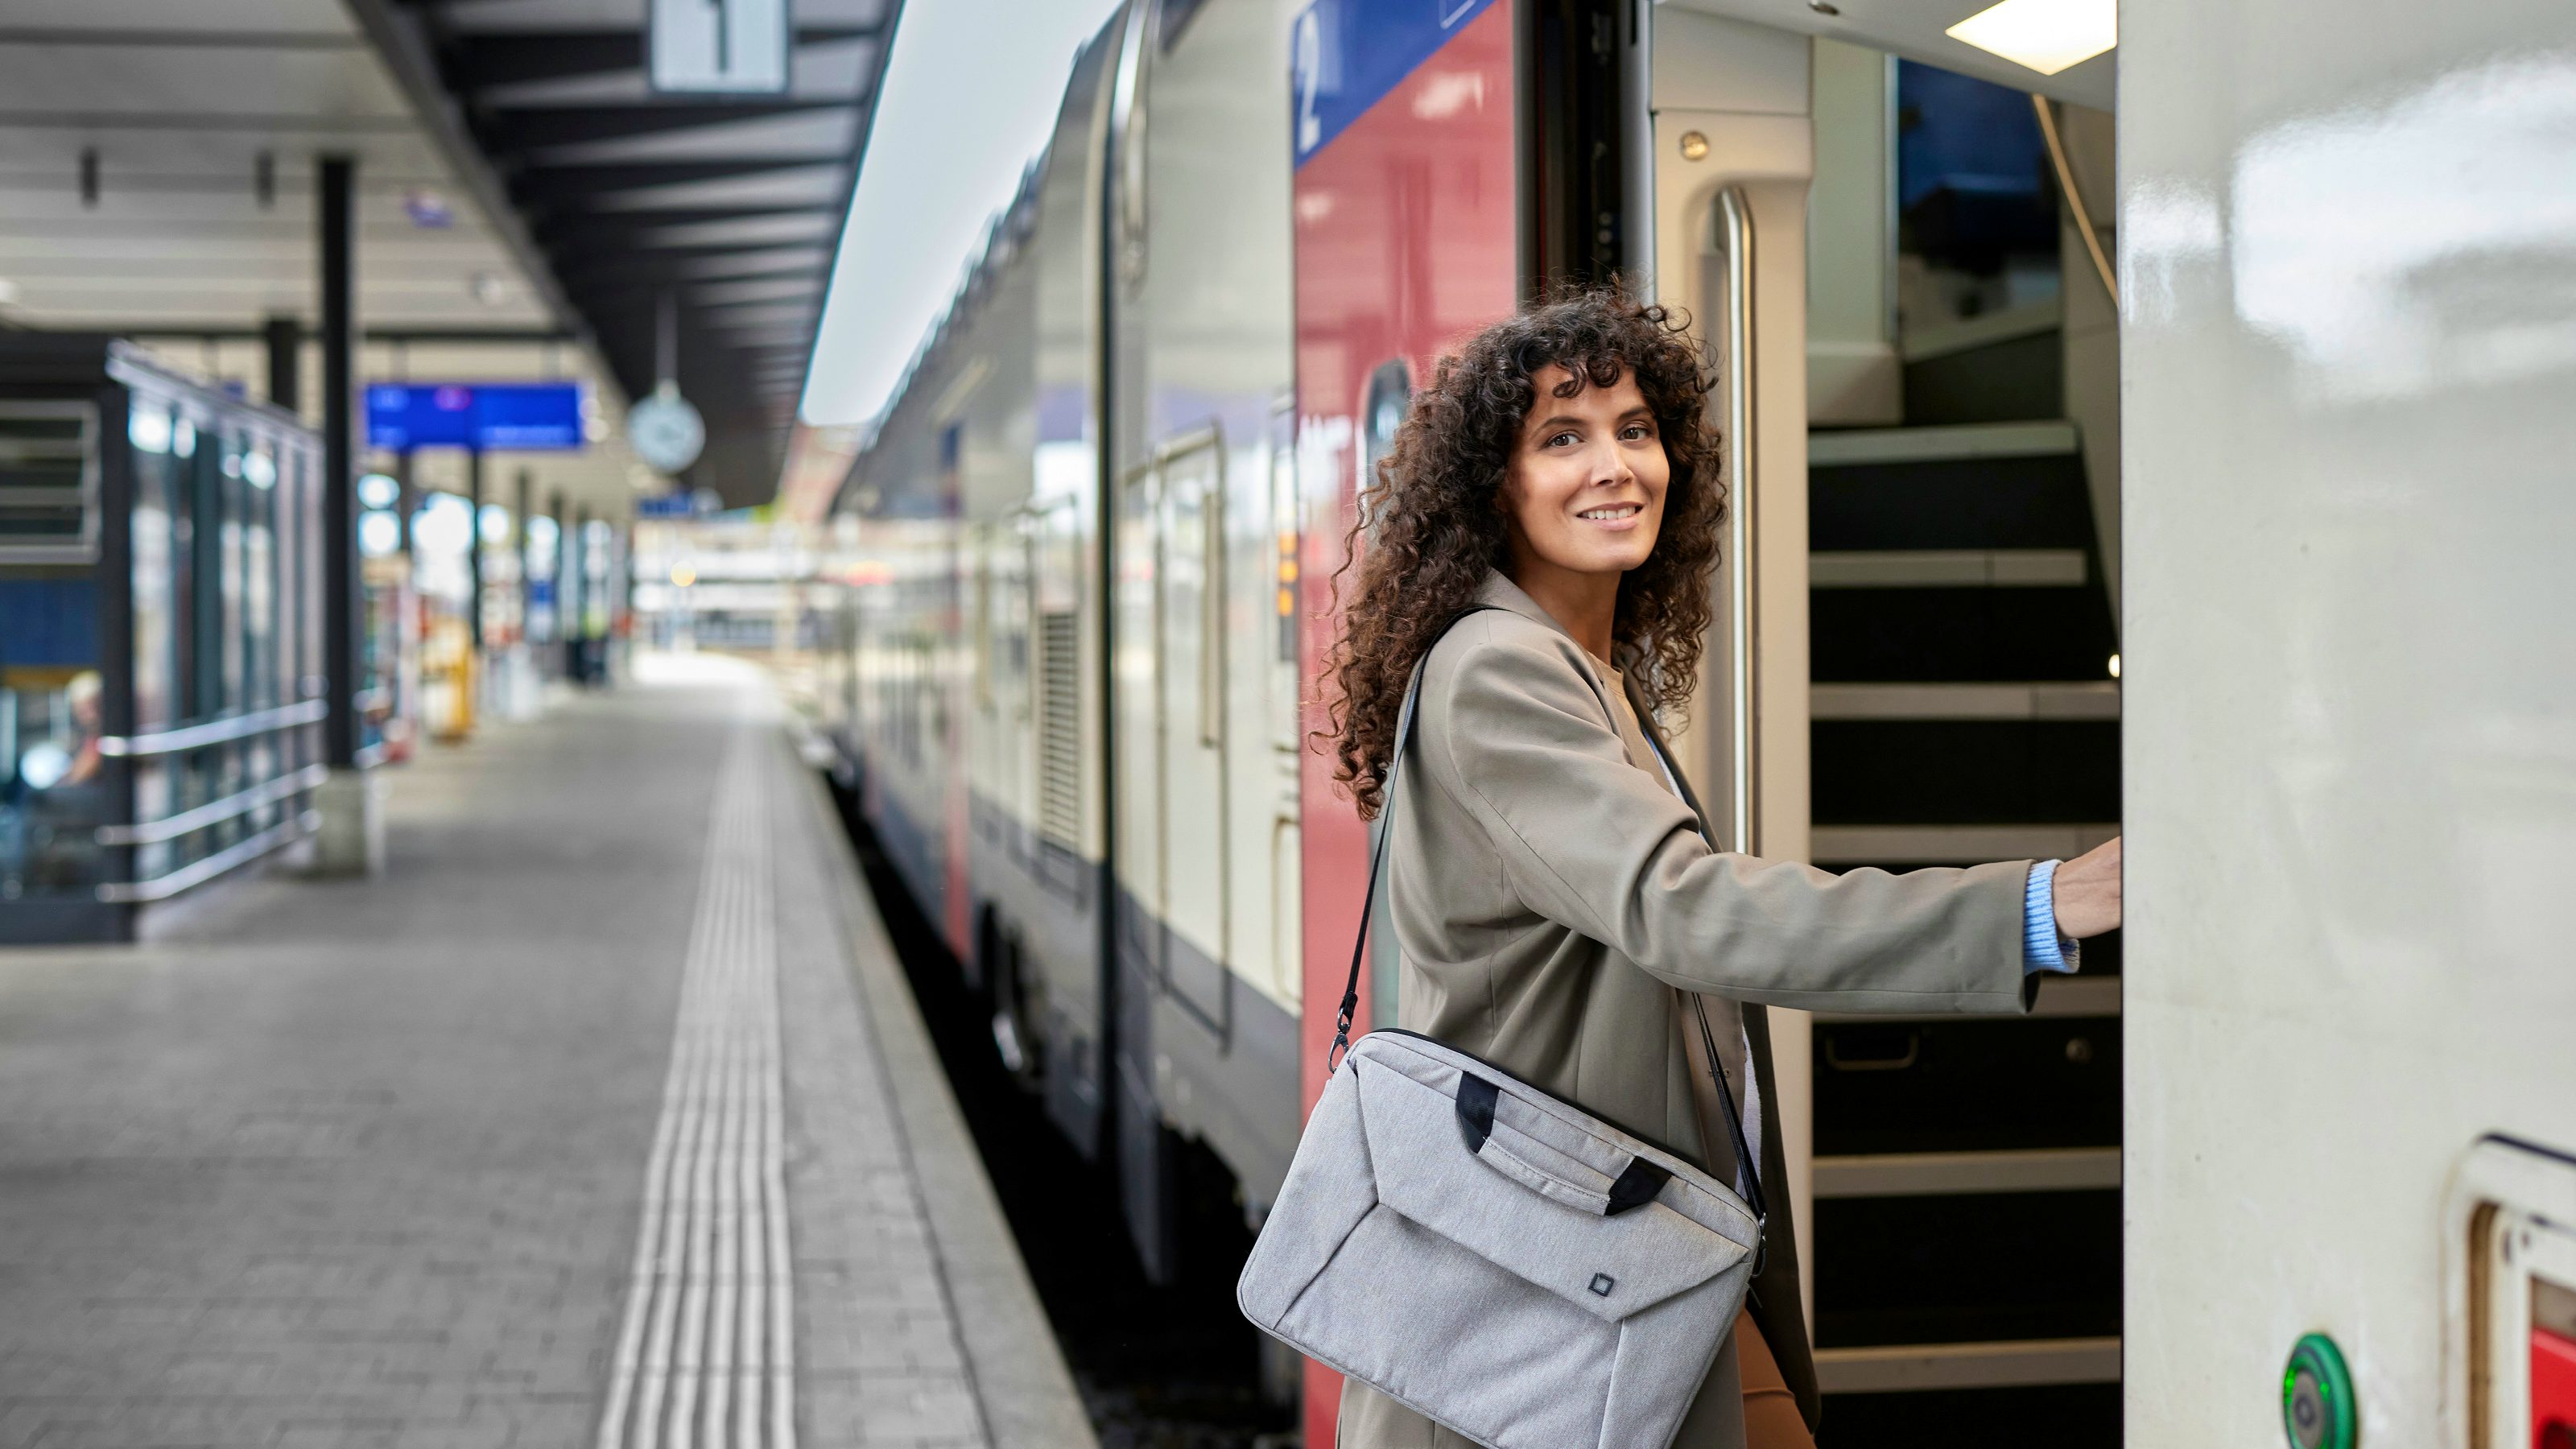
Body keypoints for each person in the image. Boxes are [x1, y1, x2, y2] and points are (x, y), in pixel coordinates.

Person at [1320, 289, 2122, 1449]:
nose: (1615, 465)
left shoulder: (1574, 667)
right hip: (1548, 1287)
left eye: (1634, 429)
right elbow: (1685, 910)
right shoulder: (1501, 672)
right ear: (1491, 488)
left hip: (1630, 1259)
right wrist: (2040, 904)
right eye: (1562, 437)